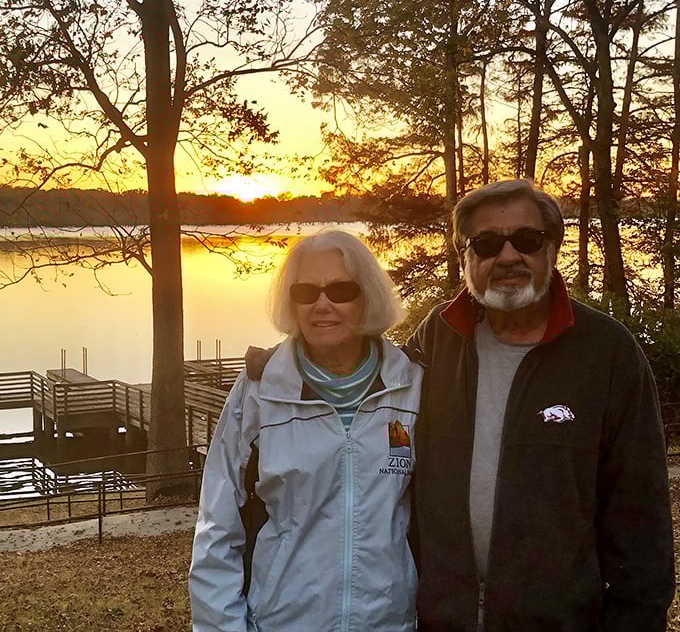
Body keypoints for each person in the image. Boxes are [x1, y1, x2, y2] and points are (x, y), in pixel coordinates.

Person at [407, 179, 675, 631]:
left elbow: (642, 520)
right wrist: (283, 365)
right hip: (436, 621)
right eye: (487, 243)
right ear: (465, 259)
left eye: (527, 240)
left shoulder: (606, 352)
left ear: (551, 248)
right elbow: (360, 387)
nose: (508, 257)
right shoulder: (437, 339)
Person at [189, 229, 423, 632]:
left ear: (367, 295)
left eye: (341, 290)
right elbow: (217, 528)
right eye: (306, 293)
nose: (322, 305)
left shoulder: (413, 386)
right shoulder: (260, 391)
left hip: (389, 623)